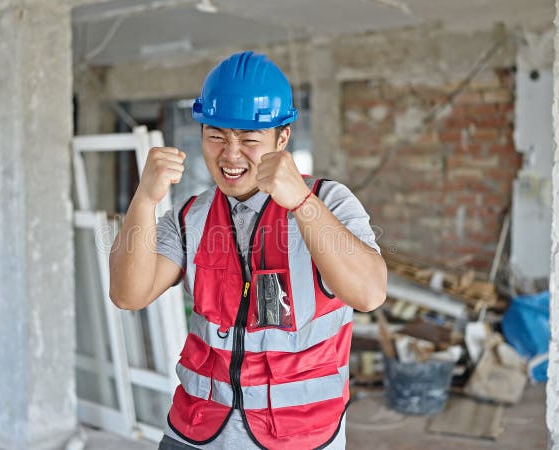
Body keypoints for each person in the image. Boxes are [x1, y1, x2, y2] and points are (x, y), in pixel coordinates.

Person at [109, 50, 388, 450]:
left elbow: (369, 294)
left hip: (298, 437)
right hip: (195, 430)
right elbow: (127, 294)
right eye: (216, 136)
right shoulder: (191, 216)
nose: (231, 154)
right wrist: (144, 199)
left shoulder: (329, 201)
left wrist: (302, 204)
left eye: (249, 139)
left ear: (282, 138)